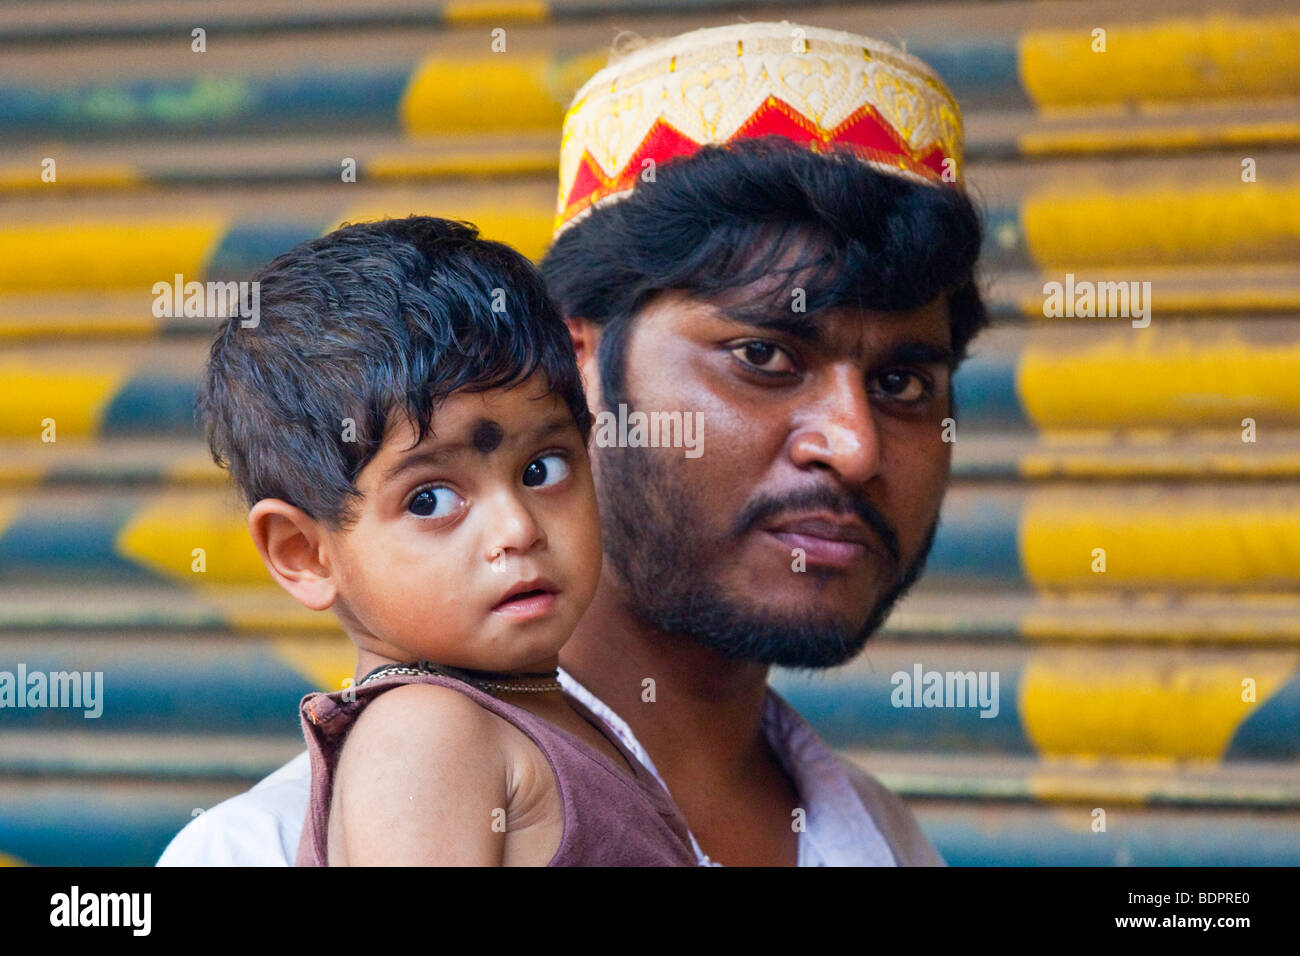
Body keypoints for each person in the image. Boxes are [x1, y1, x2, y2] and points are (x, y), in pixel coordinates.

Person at [160, 20, 988, 867]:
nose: (852, 447)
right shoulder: (267, 849)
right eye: (763, 356)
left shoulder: (883, 839)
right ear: (577, 368)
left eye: (903, 383)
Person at [192, 215, 697, 865]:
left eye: (542, 469)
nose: (517, 529)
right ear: (305, 553)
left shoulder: (532, 714)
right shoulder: (426, 736)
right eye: (430, 500)